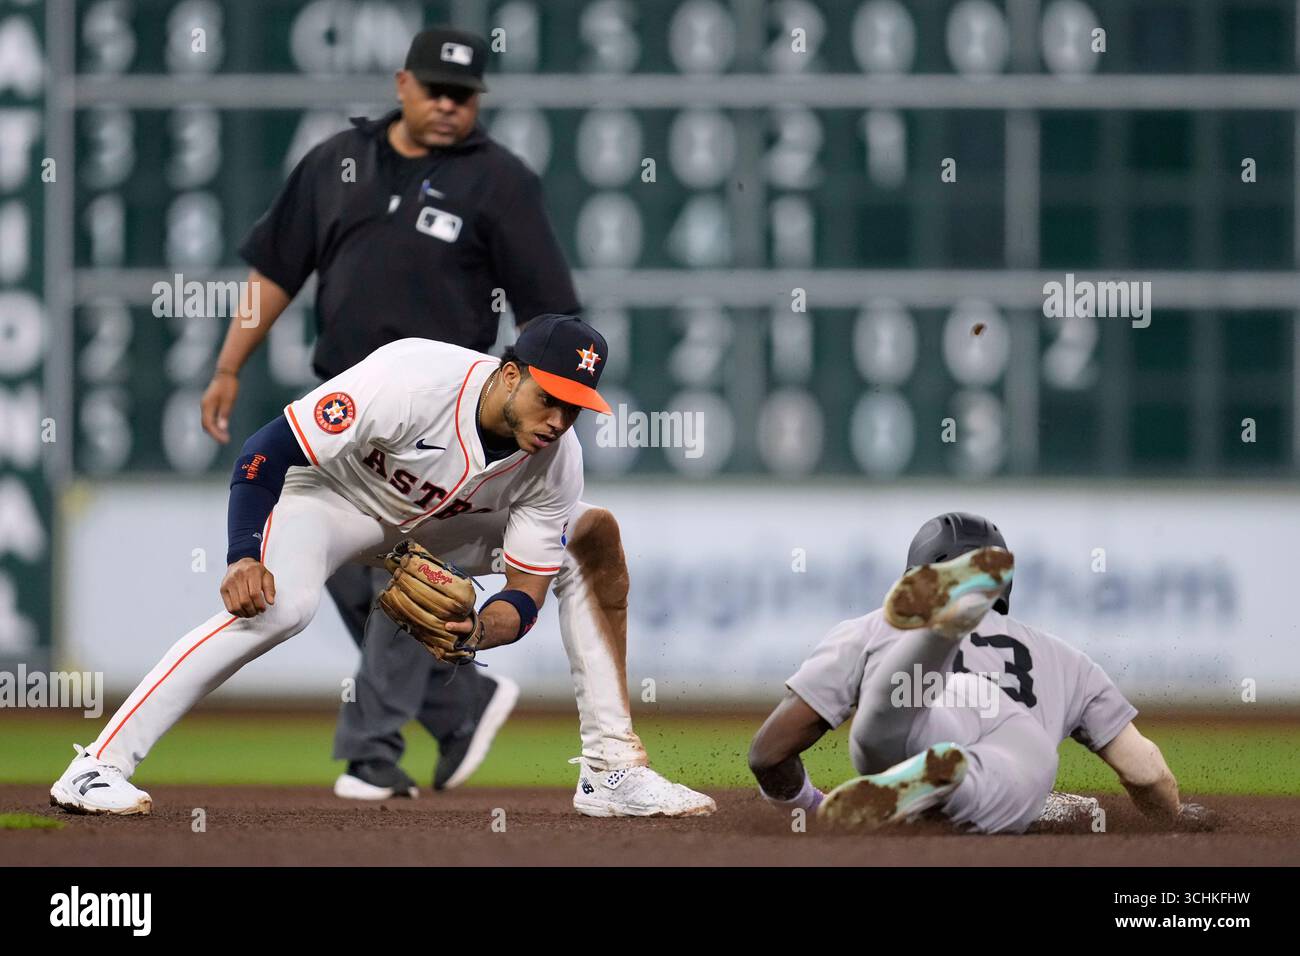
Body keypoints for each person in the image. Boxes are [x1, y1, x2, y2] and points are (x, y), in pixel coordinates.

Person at [199, 27, 707, 814]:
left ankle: (372, 754)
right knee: (356, 576)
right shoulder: (338, 162)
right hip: (345, 413)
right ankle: (458, 704)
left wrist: (549, 404)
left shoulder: (500, 182)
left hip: (448, 424)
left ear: (479, 102)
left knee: (419, 575)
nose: (447, 103)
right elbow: (277, 267)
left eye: (463, 94)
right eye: (435, 87)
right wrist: (230, 364)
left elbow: (551, 313)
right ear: (402, 83)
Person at [51, 317, 711, 818]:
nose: (559, 419)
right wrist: (243, 554)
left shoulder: (555, 461)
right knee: (283, 610)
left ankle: (611, 771)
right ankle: (96, 767)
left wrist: (477, 631)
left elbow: (526, 591)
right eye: (550, 397)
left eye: (576, 408)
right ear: (510, 373)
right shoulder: (411, 380)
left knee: (590, 539)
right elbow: (263, 451)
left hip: (433, 526)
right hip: (330, 497)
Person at [747, 512, 1212, 833]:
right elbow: (1145, 771)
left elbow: (768, 753)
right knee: (1002, 777)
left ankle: (935, 640)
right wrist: (1172, 819)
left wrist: (810, 807)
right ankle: (947, 777)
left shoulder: (865, 631)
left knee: (882, 731)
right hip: (1010, 750)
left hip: (922, 711)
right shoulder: (1065, 659)